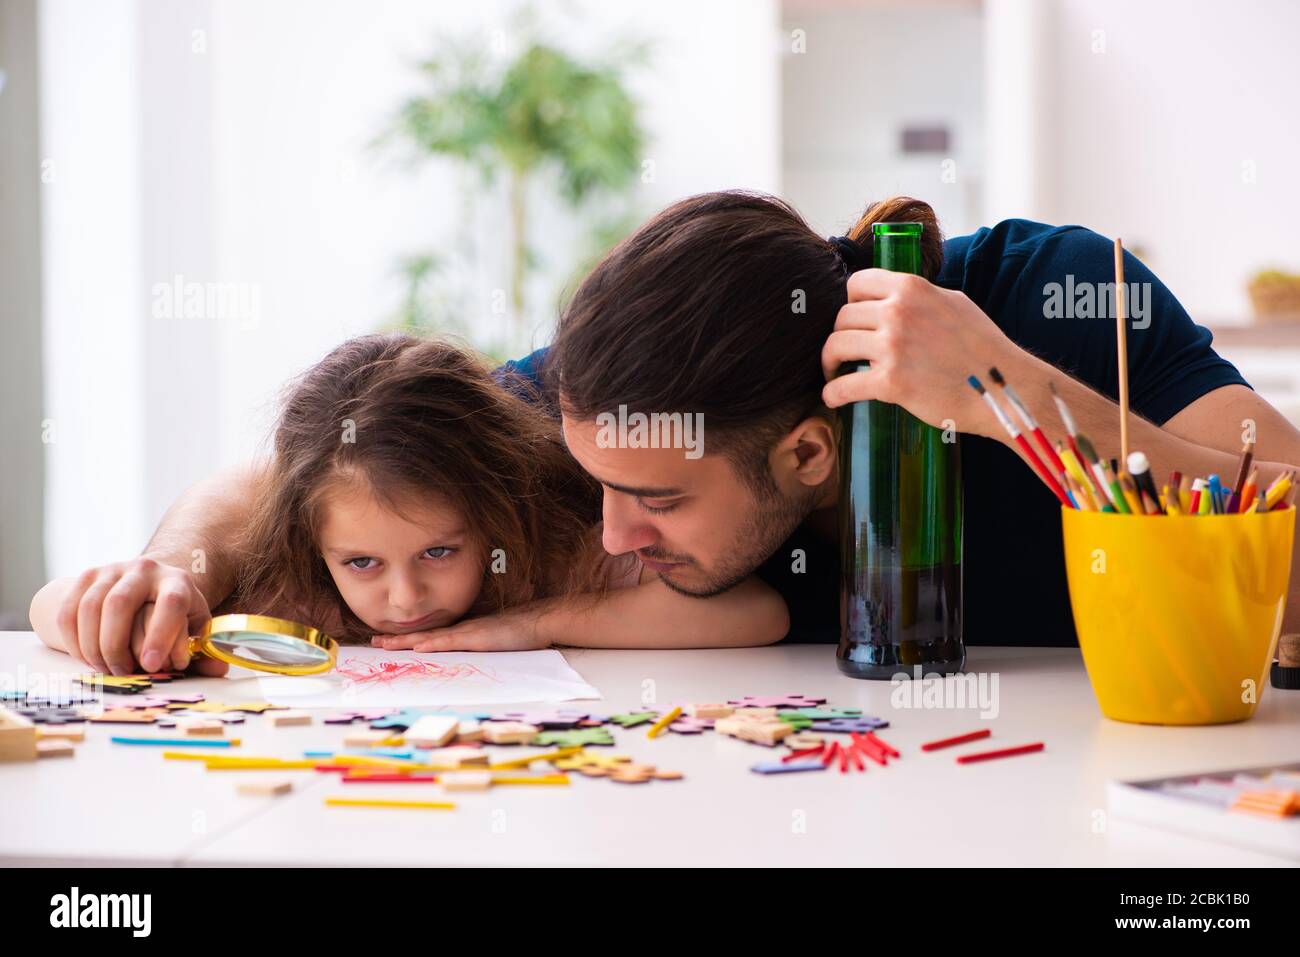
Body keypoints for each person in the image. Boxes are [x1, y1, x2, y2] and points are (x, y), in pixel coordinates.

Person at [37, 191, 1300, 665]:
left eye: (657, 504)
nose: (613, 533)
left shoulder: (1049, 293)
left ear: (807, 455)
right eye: (601, 486)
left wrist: (1010, 400)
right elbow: (282, 470)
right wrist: (176, 568)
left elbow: (1286, 536)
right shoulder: (628, 410)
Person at [28, 334, 788, 674]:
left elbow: (761, 613)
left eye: (439, 552)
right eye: (361, 562)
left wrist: (530, 623)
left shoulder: (546, 551)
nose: (403, 596)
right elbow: (46, 610)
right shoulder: (295, 585)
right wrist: (129, 593)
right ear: (312, 540)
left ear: (496, 507)